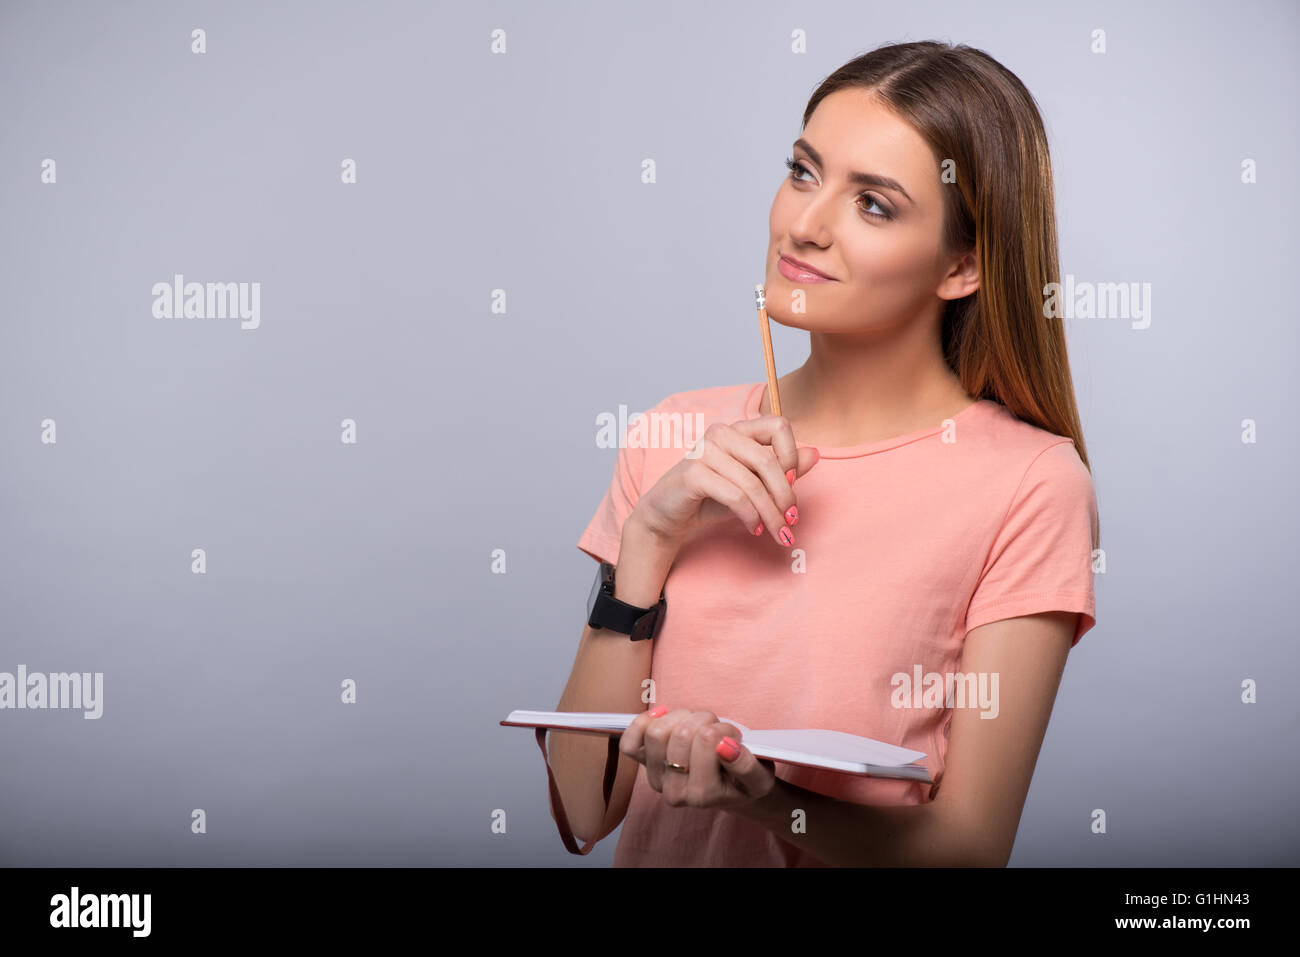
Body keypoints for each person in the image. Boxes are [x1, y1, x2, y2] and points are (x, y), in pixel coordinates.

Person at [547, 40, 1100, 867]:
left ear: (963, 264)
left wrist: (768, 799)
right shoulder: (674, 434)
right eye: (803, 172)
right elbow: (584, 812)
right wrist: (645, 547)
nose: (803, 224)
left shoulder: (1031, 484)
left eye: (873, 204)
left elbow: (970, 849)